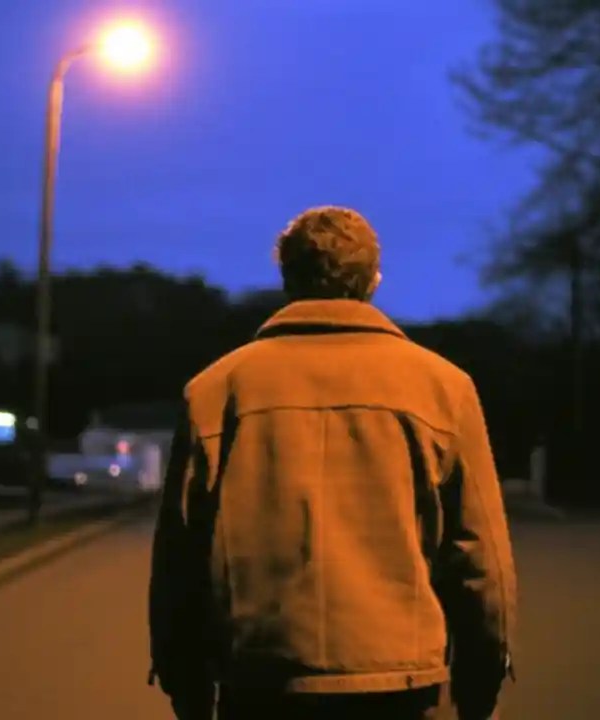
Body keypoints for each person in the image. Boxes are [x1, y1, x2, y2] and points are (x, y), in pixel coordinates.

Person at [147, 206, 518, 720]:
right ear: (374, 280)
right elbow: (481, 559)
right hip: (400, 685)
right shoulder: (443, 389)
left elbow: (179, 562)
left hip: (262, 684)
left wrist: (187, 687)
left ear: (287, 278)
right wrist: (480, 689)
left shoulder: (215, 392)